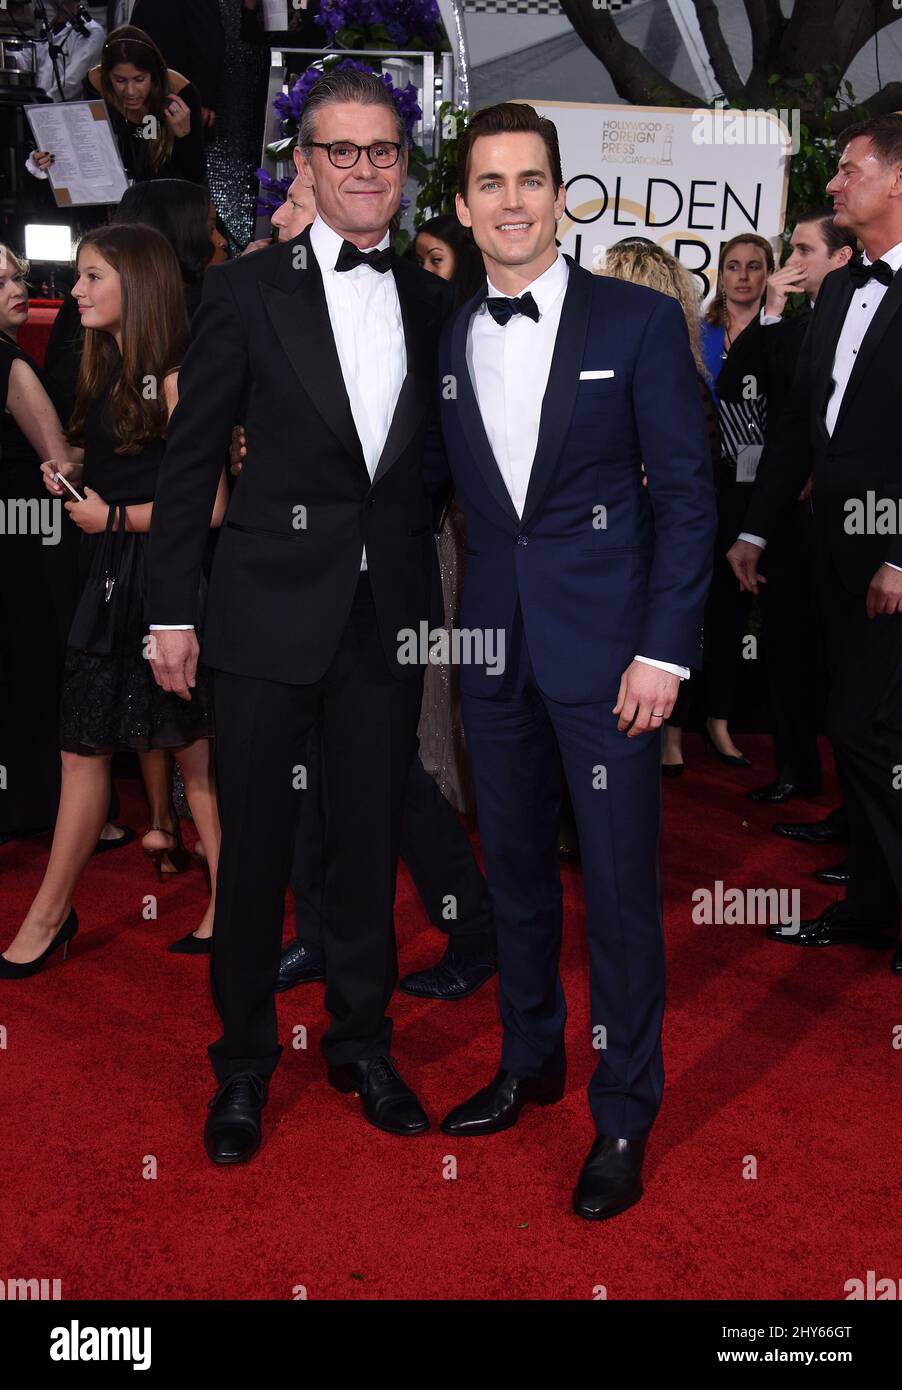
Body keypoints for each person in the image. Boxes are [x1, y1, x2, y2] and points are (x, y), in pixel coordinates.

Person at [145, 69, 455, 1164]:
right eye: (342, 152)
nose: (364, 170)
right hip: (263, 616)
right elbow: (189, 467)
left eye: (382, 152)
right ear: (305, 165)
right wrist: (168, 610)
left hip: (386, 617)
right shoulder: (244, 291)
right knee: (258, 852)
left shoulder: (430, 297)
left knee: (368, 842)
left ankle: (362, 1045)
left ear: (403, 168)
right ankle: (240, 1066)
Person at [435, 102, 716, 1219]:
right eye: (488, 183)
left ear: (561, 195)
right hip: (491, 655)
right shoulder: (451, 336)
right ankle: (529, 1058)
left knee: (615, 897)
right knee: (511, 879)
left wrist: (664, 652)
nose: (510, 201)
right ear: (460, 206)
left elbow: (688, 502)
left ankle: (622, 1110)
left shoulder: (636, 325)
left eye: (529, 180)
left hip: (613, 667)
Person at [237, 154, 496, 1002]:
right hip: (295, 589)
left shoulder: (420, 303)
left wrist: (380, 504)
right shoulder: (262, 291)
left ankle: (469, 923)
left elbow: (430, 443)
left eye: (292, 195)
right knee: (315, 775)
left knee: (396, 778)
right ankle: (317, 932)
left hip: (399, 565)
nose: (281, 209)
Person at [0, 225, 228, 978]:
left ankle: (231, 905)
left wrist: (114, 517)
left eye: (92, 277)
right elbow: (123, 469)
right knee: (84, 748)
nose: (74, 292)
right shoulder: (108, 368)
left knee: (193, 754)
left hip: (164, 581)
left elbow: (215, 505)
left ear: (137, 282)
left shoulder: (174, 375)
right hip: (108, 576)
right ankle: (48, 914)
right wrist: (71, 474)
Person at [728, 113, 902, 977]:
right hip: (828, 551)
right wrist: (757, 525)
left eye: (849, 171)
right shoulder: (838, 290)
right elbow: (799, 425)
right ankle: (872, 907)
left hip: (893, 565)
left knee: (868, 727)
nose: (835, 187)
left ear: (899, 182)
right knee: (861, 725)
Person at [718, 210, 856, 806]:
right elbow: (743, 384)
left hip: (852, 523)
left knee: (848, 668)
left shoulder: (866, 320)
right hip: (786, 518)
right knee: (787, 647)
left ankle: (854, 809)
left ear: (839, 258)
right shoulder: (795, 328)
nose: (790, 262)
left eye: (802, 250)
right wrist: (771, 313)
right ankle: (800, 772)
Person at [594, 236, 720, 777]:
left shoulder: (677, 386)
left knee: (617, 720)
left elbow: (688, 502)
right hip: (612, 579)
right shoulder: (687, 377)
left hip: (636, 579)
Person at [699, 234, 776, 769]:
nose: (744, 276)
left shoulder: (784, 336)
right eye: (733, 266)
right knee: (688, 606)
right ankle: (674, 729)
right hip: (699, 487)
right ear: (720, 275)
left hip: (756, 492)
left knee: (731, 611)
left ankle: (719, 720)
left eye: (755, 266)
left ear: (769, 274)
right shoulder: (697, 336)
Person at [27, 26, 206, 189]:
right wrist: (48, 158)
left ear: (154, 75)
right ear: (107, 77)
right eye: (120, 80)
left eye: (139, 80)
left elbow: (195, 176)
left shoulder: (181, 94)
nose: (130, 91)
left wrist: (185, 138)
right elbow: (90, 149)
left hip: (167, 203)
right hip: (113, 201)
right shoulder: (97, 87)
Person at [129, 0, 225, 129]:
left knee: (179, 144)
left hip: (178, 96)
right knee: (147, 142)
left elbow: (208, 43)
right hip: (148, 92)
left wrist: (202, 99)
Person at [7, 2, 106, 103]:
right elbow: (24, 61)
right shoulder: (47, 31)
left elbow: (73, 82)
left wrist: (44, 101)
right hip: (41, 107)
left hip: (69, 110)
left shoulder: (92, 32)